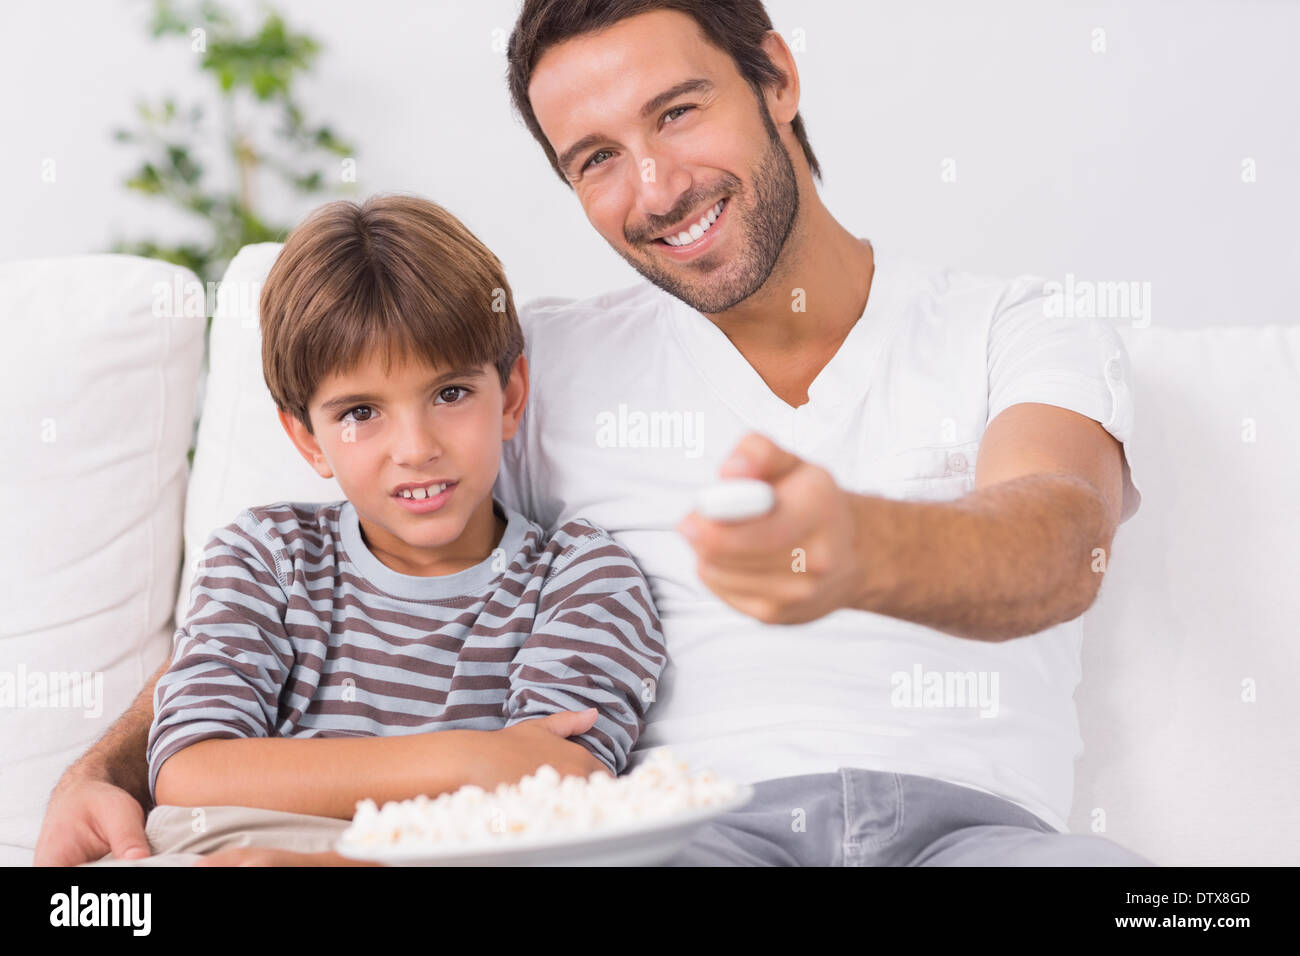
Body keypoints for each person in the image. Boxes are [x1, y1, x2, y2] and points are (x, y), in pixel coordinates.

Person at [38, 0, 1151, 866]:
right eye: (596, 158)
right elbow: (347, 544)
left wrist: (857, 548)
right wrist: (110, 767)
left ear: (776, 76)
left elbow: (1058, 540)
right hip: (687, 838)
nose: (656, 186)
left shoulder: (1016, 323)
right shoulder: (537, 373)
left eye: (677, 112)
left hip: (983, 837)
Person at [77, 194, 667, 865]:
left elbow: (563, 791)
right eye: (361, 411)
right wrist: (470, 756)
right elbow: (188, 773)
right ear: (308, 441)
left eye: (449, 393)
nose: (415, 448)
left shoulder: (581, 578)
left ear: (510, 396)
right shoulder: (266, 557)